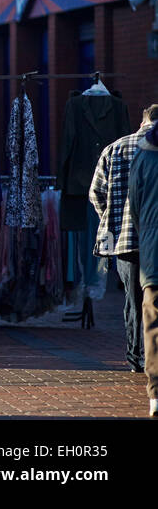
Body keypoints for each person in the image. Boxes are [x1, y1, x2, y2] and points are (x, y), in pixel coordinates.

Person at [88, 104, 158, 373]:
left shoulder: (115, 148)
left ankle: (135, 358)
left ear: (142, 122)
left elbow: (96, 192)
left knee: (132, 300)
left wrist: (113, 218)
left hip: (124, 240)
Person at [127, 113, 158, 417]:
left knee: (153, 322)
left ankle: (156, 394)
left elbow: (133, 206)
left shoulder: (142, 155)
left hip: (152, 253)